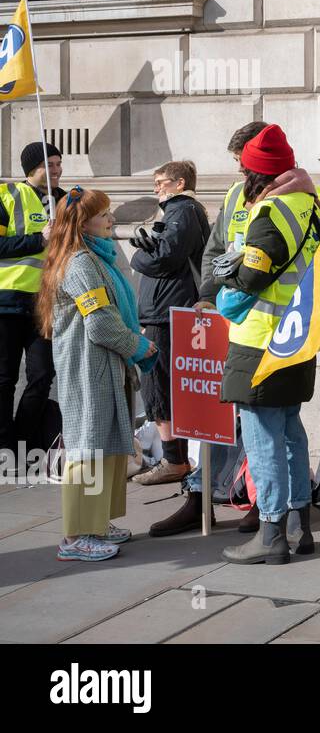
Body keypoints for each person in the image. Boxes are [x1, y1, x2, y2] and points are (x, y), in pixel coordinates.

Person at [217, 124, 320, 564]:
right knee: (291, 434)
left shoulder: (272, 211)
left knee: (262, 437)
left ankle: (271, 533)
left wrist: (230, 271)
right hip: (296, 337)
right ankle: (301, 526)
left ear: (254, 173)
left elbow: (252, 276)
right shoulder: (314, 205)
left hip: (259, 339)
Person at [36, 187, 158, 561]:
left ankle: (97, 522)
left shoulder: (92, 257)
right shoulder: (81, 264)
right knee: (88, 449)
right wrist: (139, 347)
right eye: (103, 215)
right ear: (81, 223)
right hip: (88, 369)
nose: (111, 220)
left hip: (103, 365)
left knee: (105, 445)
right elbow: (101, 325)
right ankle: (75, 537)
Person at [130, 161, 211, 486]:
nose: (156, 188)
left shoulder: (182, 209)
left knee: (158, 385)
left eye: (161, 181)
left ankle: (174, 461)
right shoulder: (182, 211)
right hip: (166, 310)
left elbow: (167, 258)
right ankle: (175, 458)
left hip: (166, 314)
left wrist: (137, 258)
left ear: (180, 183)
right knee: (163, 385)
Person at [0, 142, 66, 457]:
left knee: (42, 374)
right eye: (49, 165)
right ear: (32, 169)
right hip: (7, 301)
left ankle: (22, 443)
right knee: (4, 379)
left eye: (58, 164)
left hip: (45, 303)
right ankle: (5, 448)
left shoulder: (65, 200)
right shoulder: (7, 196)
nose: (56, 170)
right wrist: (38, 240)